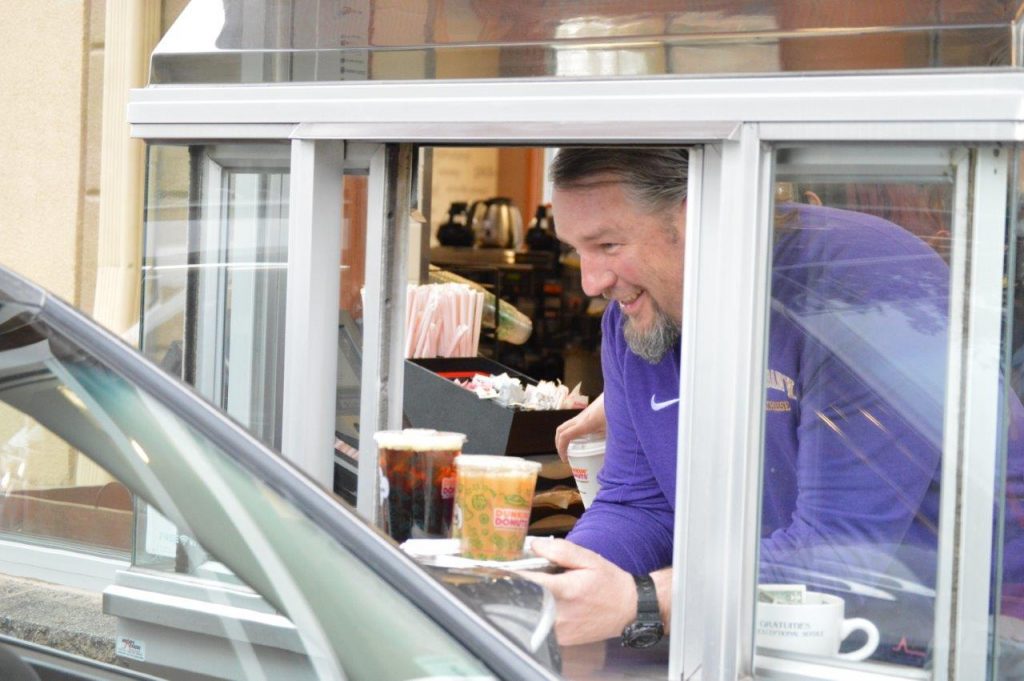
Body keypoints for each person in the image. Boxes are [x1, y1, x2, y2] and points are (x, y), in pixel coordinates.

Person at [524, 148, 1024, 668]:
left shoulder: (859, 285)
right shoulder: (638, 320)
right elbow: (639, 504)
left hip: (970, 631)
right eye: (577, 249)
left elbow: (841, 553)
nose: (591, 282)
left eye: (607, 245)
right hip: (768, 623)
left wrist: (643, 601)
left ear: (701, 215)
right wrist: (562, 584)